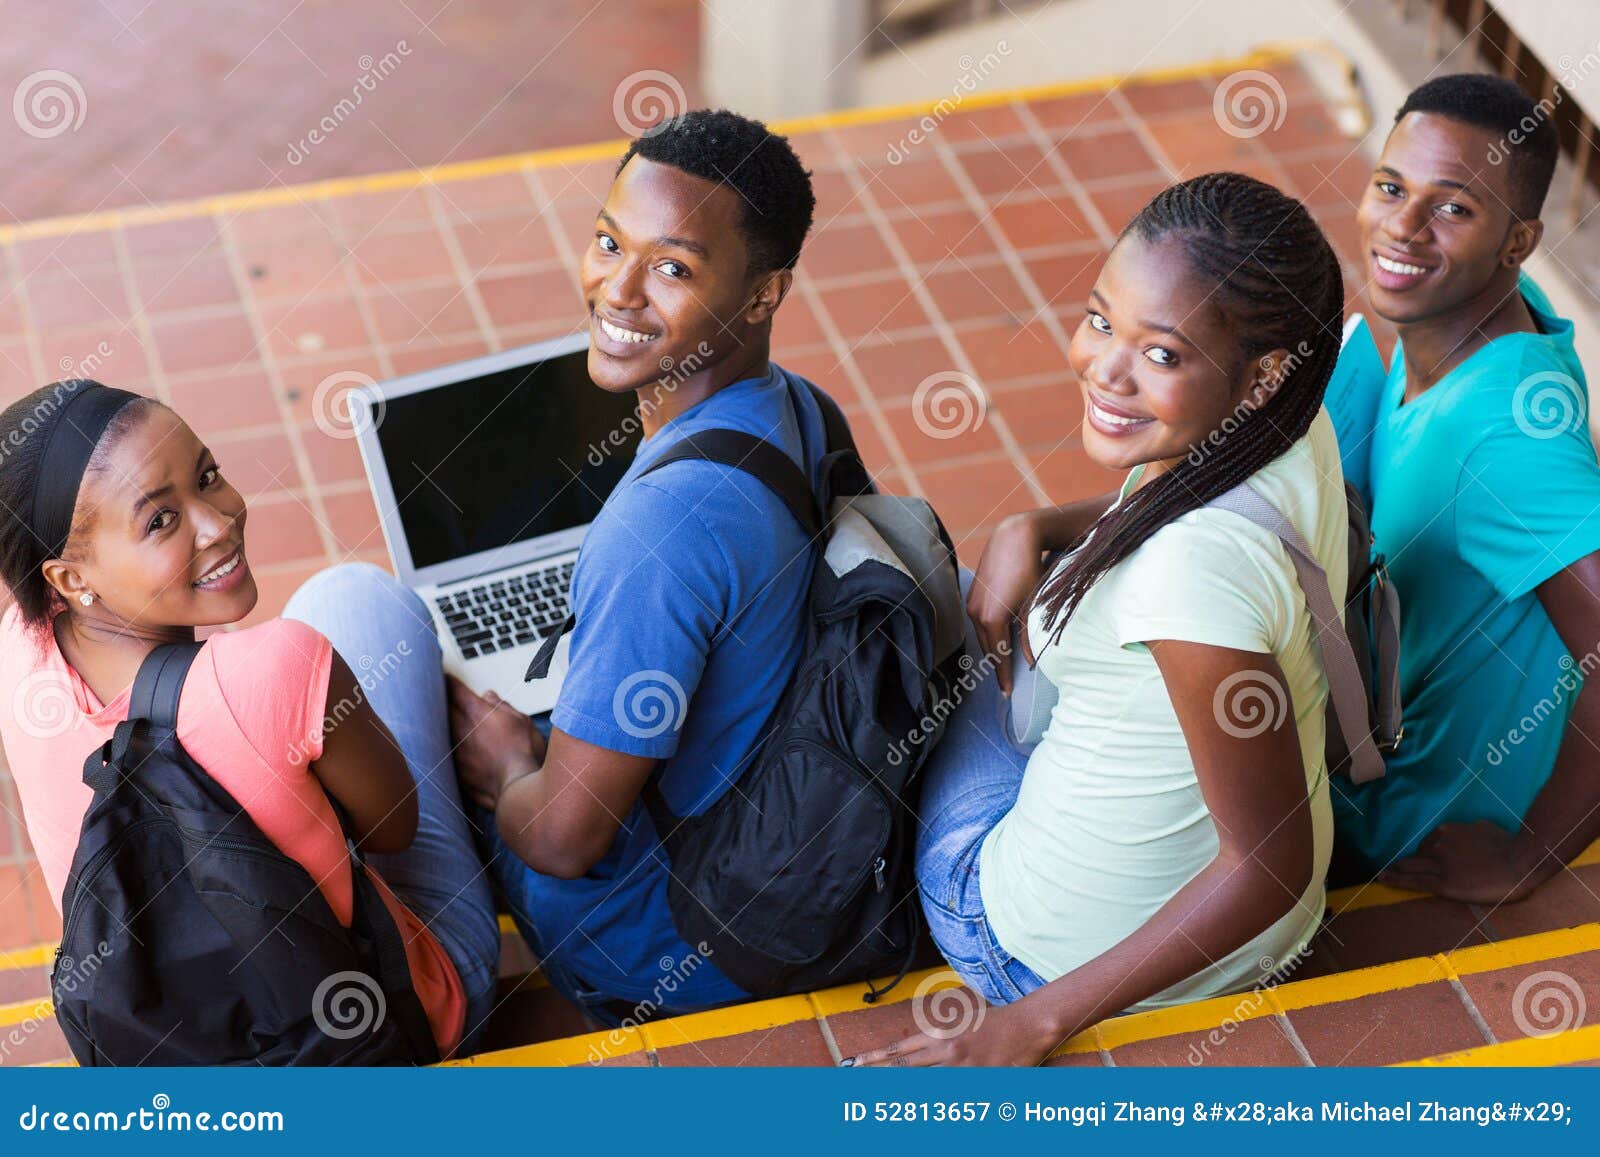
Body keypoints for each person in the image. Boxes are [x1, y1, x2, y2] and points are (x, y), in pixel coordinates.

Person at [853, 172, 1346, 1066]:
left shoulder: (1187, 587)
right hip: (1275, 927)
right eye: (1099, 319)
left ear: (1259, 375)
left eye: (1161, 354)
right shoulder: (1296, 418)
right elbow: (1191, 506)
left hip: (1040, 953)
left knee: (912, 606)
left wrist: (1032, 1022)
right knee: (976, 597)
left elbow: (1267, 861)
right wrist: (1034, 524)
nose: (1103, 368)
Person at [443, 109, 851, 1019]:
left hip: (670, 935)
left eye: (672, 268)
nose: (617, 291)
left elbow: (562, 840)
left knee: (416, 717)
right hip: (764, 821)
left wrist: (510, 766)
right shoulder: (800, 406)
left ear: (763, 293)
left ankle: (439, 1006)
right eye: (606, 242)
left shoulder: (662, 531)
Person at [0, 381, 501, 1060]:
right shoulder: (278, 666)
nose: (218, 520)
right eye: (160, 520)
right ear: (67, 578)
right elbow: (395, 827)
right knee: (355, 595)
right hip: (385, 1034)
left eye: (207, 476)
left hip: (184, 1053)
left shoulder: (15, 650)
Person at [1326, 74, 1600, 903]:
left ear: (1517, 243)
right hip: (1390, 709)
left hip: (1427, 803)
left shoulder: (1507, 434)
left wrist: (1529, 858)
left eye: (1453, 208)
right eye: (1390, 187)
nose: (1402, 227)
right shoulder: (1472, 311)